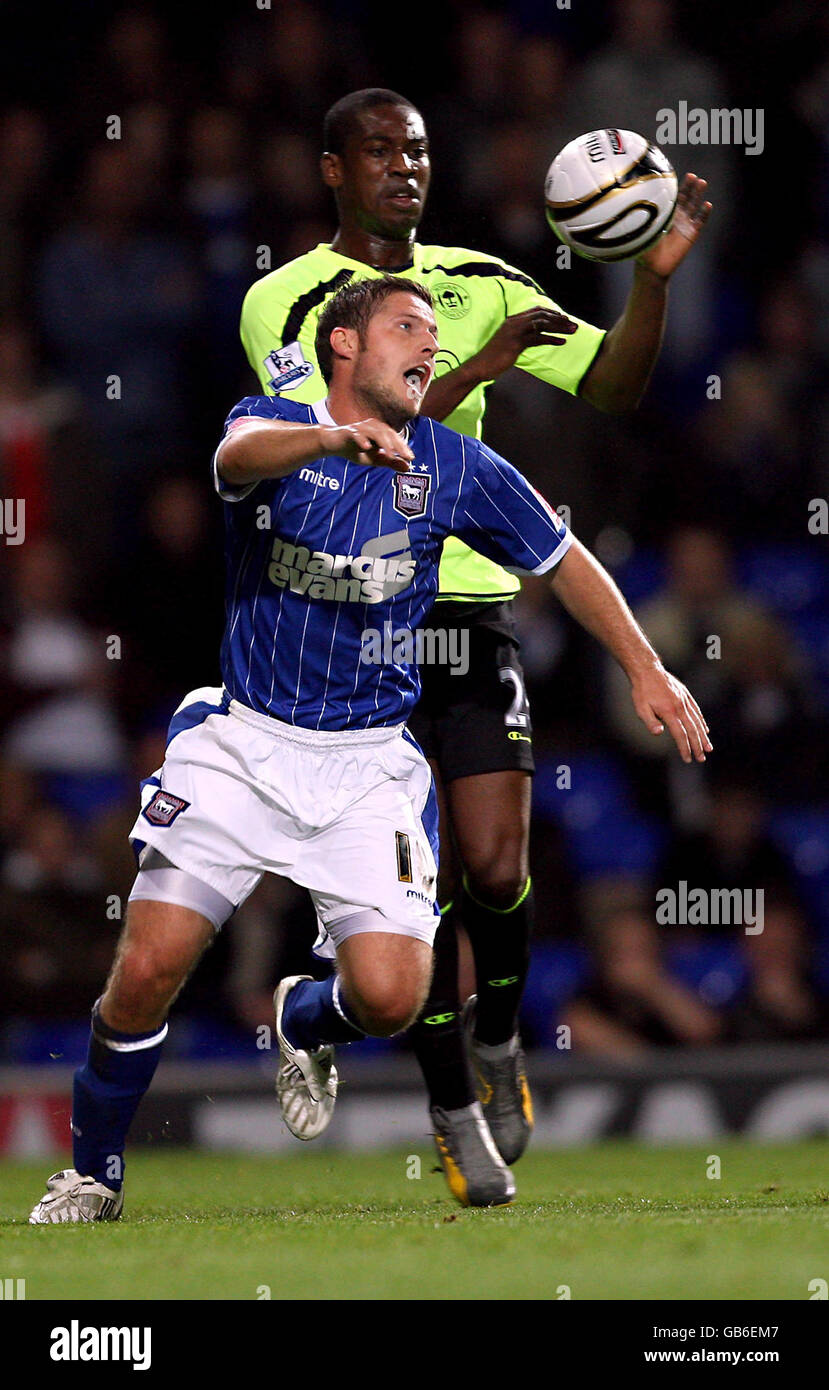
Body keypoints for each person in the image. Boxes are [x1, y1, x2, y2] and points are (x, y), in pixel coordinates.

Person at [29, 278, 710, 1224]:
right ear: (343, 344)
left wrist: (646, 667)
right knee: (148, 968)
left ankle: (302, 1016)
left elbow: (564, 558)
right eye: (406, 327)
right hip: (243, 746)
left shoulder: (456, 465)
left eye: (435, 336)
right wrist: (329, 439)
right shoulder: (276, 421)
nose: (427, 345)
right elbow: (235, 455)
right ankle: (94, 1176)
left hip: (367, 765)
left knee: (394, 996)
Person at [238, 88, 711, 1200]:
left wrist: (644, 281)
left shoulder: (483, 281)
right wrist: (486, 364)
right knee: (424, 877)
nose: (403, 167)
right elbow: (355, 442)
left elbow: (614, 382)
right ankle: (452, 1108)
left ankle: (496, 1034)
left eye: (416, 149)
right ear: (330, 171)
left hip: (465, 603)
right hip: (350, 611)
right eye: (377, 151)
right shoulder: (287, 298)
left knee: (497, 865)